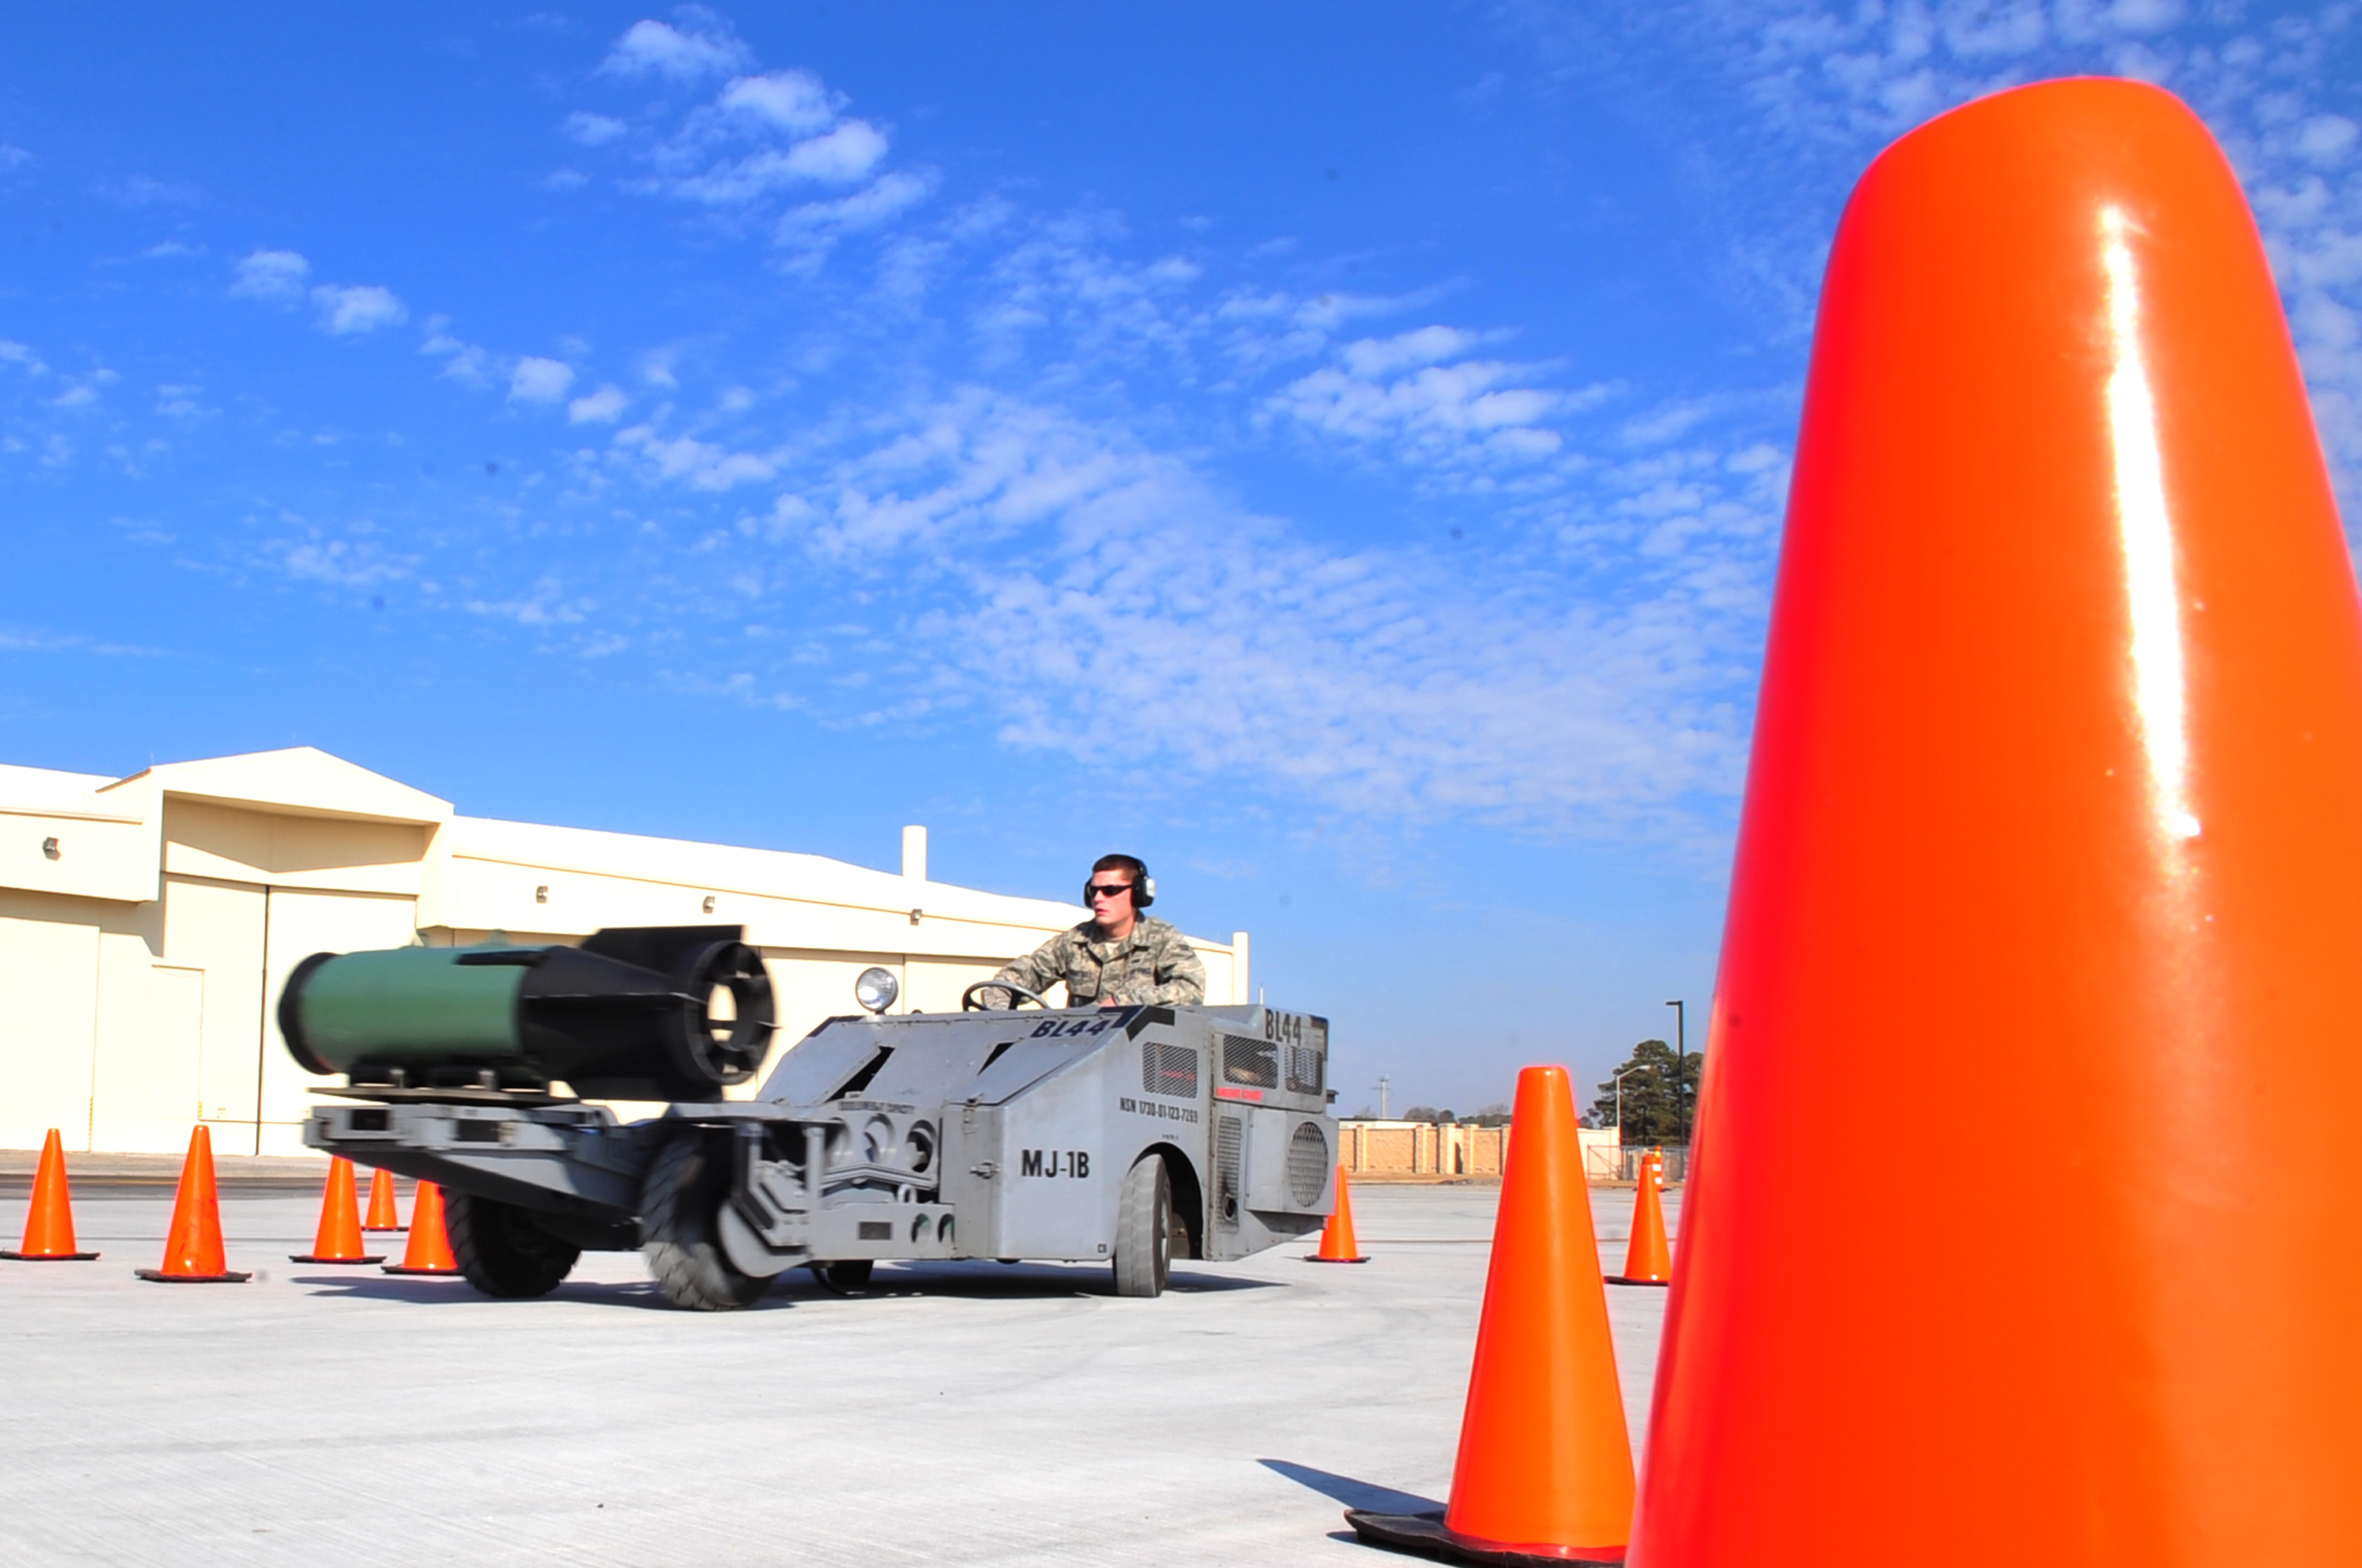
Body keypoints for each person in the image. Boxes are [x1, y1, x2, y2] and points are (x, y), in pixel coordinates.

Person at [983, 854, 1206, 1009]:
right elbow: (1009, 982)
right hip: (1080, 1051)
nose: (1098, 898)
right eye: (1094, 890)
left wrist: (1125, 1002)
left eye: (1110, 890)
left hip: (1136, 1057)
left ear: (1138, 893)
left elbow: (1190, 989)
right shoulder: (1075, 941)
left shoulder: (1161, 938)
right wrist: (998, 1015)